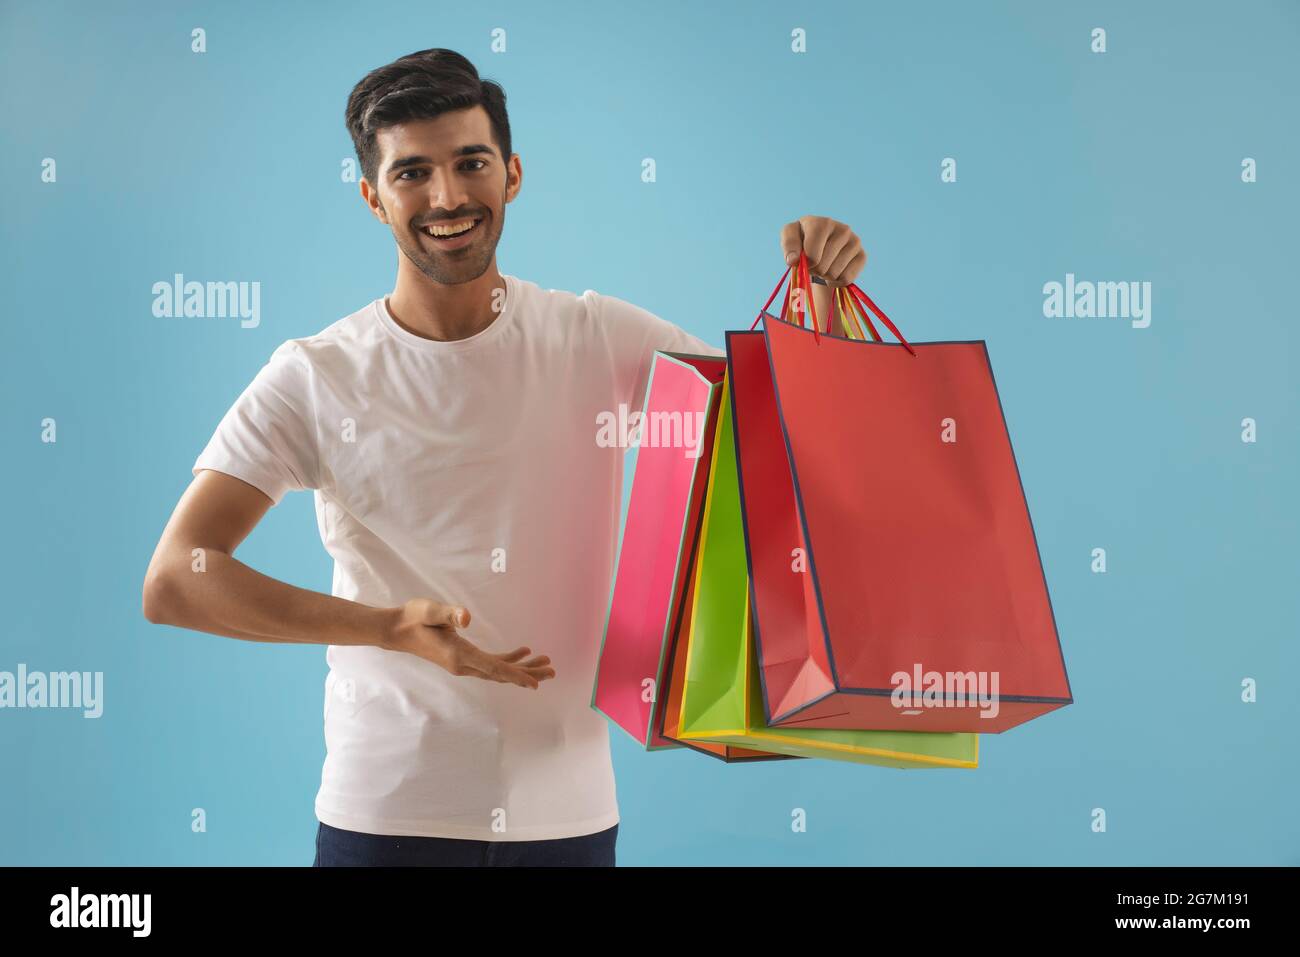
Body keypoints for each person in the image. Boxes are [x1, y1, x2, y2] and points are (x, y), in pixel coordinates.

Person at [141, 47, 867, 867]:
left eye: (470, 163)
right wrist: (385, 627)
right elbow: (177, 577)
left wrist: (824, 303)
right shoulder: (317, 375)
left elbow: (788, 442)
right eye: (411, 173)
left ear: (512, 174)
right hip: (386, 820)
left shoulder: (597, 337)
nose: (447, 196)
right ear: (373, 199)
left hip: (572, 819)